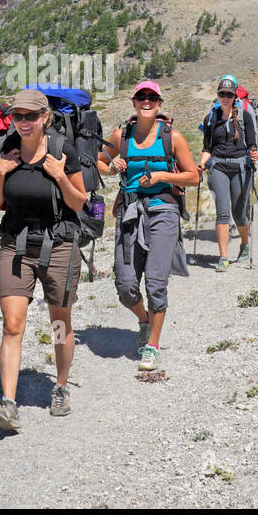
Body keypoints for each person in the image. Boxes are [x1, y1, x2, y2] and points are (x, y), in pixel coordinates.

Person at [0, 88, 88, 430]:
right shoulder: (2, 150)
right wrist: (2, 172)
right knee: (12, 324)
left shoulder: (62, 151)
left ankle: (60, 386)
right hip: (15, 244)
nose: (23, 122)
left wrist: (59, 175)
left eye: (30, 116)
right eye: (18, 116)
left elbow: (78, 202)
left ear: (45, 117)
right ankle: (8, 403)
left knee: (59, 321)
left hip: (59, 245)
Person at [97, 80, 199, 372]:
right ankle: (144, 320)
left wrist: (162, 178)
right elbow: (99, 162)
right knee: (126, 285)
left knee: (156, 282)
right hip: (130, 210)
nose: (146, 101)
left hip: (163, 210)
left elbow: (193, 177)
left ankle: (152, 345)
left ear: (159, 104)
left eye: (151, 97)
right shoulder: (121, 135)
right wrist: (112, 165)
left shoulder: (173, 137)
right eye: (141, 97)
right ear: (133, 102)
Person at [199, 75, 258, 271]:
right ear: (217, 95)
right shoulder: (210, 119)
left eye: (229, 94)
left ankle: (244, 245)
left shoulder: (245, 116)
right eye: (222, 94)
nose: (225, 97)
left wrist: (254, 153)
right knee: (222, 212)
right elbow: (207, 147)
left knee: (239, 213)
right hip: (218, 167)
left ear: (234, 96)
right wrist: (201, 164)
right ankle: (223, 257)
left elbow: (252, 144)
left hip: (241, 167)